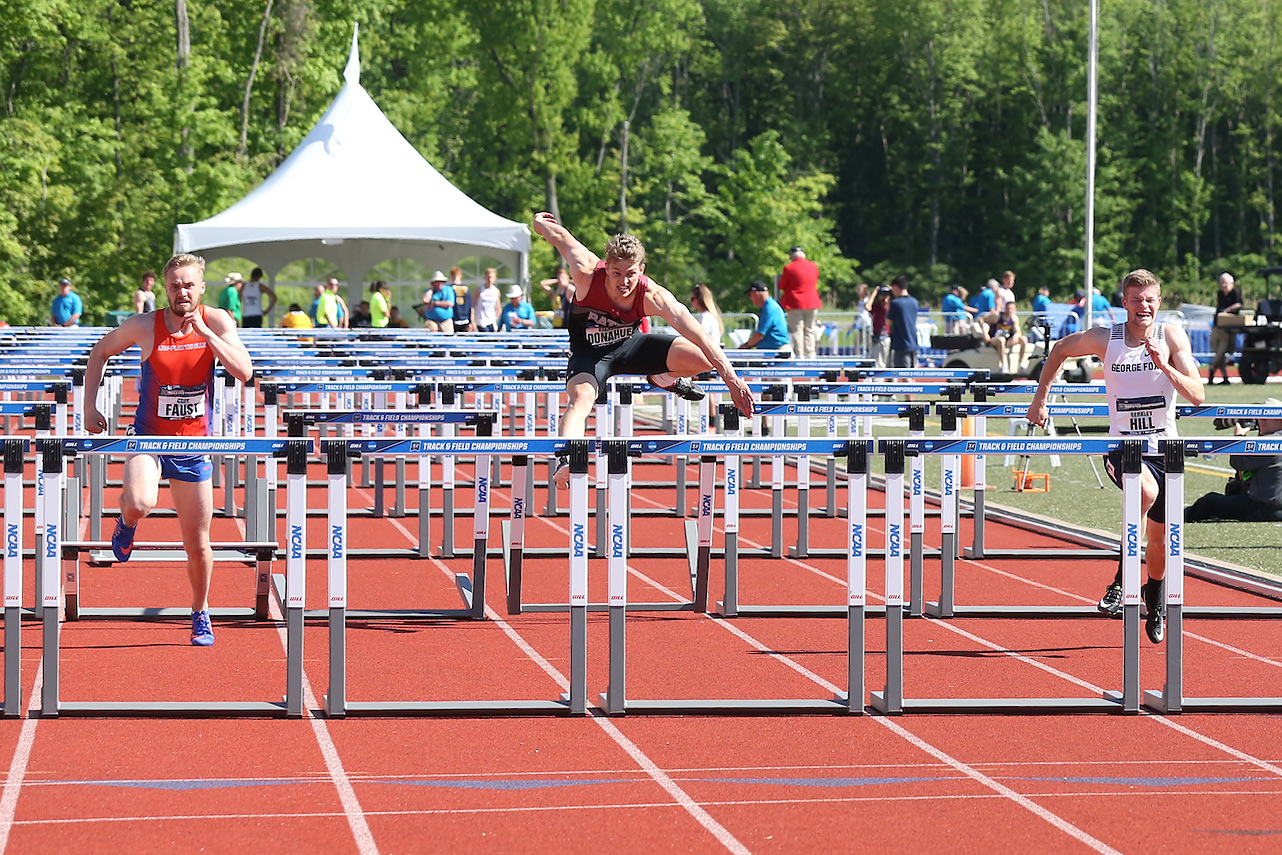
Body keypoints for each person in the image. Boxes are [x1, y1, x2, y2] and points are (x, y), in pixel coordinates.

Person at [81, 253, 253, 647]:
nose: (182, 292)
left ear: (202, 287)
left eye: (188, 284)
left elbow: (245, 371)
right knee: (140, 502)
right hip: (149, 438)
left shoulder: (218, 320)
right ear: (165, 288)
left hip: (193, 444)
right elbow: (99, 352)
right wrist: (89, 406)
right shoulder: (145, 325)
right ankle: (126, 523)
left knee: (198, 543)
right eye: (175, 285)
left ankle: (200, 611)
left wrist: (207, 335)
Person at [1026, 268, 1204, 644]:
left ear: (1159, 302)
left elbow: (1197, 395)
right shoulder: (1107, 338)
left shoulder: (1171, 335)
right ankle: (1122, 581)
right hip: (1124, 448)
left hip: (1165, 451)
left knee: (1158, 543)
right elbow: (1059, 350)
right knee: (1144, 493)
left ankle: (1154, 599)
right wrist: (1040, 398)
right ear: (1124, 303)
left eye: (1150, 299)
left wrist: (1164, 365)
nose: (1144, 306)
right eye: (1136, 299)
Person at [530, 212, 755, 482]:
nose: (623, 282)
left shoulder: (654, 296)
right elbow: (559, 236)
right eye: (616, 274)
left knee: (703, 358)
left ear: (642, 270)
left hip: (631, 346)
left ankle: (663, 378)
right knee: (581, 398)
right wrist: (539, 223)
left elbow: (702, 336)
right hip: (590, 353)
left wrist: (733, 381)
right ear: (606, 267)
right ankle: (565, 459)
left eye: (630, 275)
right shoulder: (586, 270)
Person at [1186, 404, 1282, 522]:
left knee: (1209, 501)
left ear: (1279, 419)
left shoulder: (1270, 442)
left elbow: (1238, 463)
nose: (1260, 420)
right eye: (1259, 416)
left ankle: (1177, 517)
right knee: (1234, 488)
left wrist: (1239, 437)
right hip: (1275, 505)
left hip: (1266, 508)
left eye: (1265, 417)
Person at [778, 246, 821, 359]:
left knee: (797, 329)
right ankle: (810, 353)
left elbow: (782, 285)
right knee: (810, 329)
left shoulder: (789, 268)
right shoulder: (813, 266)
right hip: (812, 302)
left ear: (792, 256)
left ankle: (800, 354)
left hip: (795, 303)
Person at [1208, 271, 1244, 385]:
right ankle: (1224, 377)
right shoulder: (1220, 294)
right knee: (1219, 354)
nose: (1223, 285)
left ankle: (1212, 370)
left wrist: (1227, 311)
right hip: (1217, 326)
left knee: (1221, 352)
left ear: (1231, 283)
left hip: (1227, 328)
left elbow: (1239, 304)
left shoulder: (1235, 293)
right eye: (1221, 283)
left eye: (1225, 283)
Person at [740, 280, 790, 351]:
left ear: (755, 293)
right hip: (774, 350)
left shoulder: (769, 308)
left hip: (777, 352)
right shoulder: (770, 305)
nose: (750, 298)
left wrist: (745, 346)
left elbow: (760, 335)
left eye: (750, 295)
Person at [982, 299, 1028, 373]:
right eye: (1008, 308)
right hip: (994, 338)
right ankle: (1004, 366)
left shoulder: (1014, 318)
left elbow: (1018, 332)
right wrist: (985, 333)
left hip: (1007, 339)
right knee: (1001, 340)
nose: (1009, 310)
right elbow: (981, 319)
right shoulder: (997, 316)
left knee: (1024, 339)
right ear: (1005, 308)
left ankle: (1021, 363)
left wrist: (1015, 336)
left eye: (1011, 308)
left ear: (1015, 309)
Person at [886, 275, 919, 368]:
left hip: (901, 343)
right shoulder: (914, 301)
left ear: (896, 287)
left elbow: (887, 322)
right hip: (913, 342)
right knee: (912, 372)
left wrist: (889, 304)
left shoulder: (896, 303)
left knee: (903, 373)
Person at [865, 285, 892, 366]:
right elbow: (867, 306)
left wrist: (892, 291)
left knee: (891, 364)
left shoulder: (892, 306)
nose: (884, 297)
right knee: (879, 363)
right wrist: (875, 293)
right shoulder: (876, 307)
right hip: (878, 338)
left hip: (890, 337)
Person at [449, 267, 473, 332]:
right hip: (465, 318)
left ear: (451, 275)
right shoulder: (466, 288)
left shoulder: (449, 288)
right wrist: (471, 321)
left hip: (454, 318)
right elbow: (470, 306)